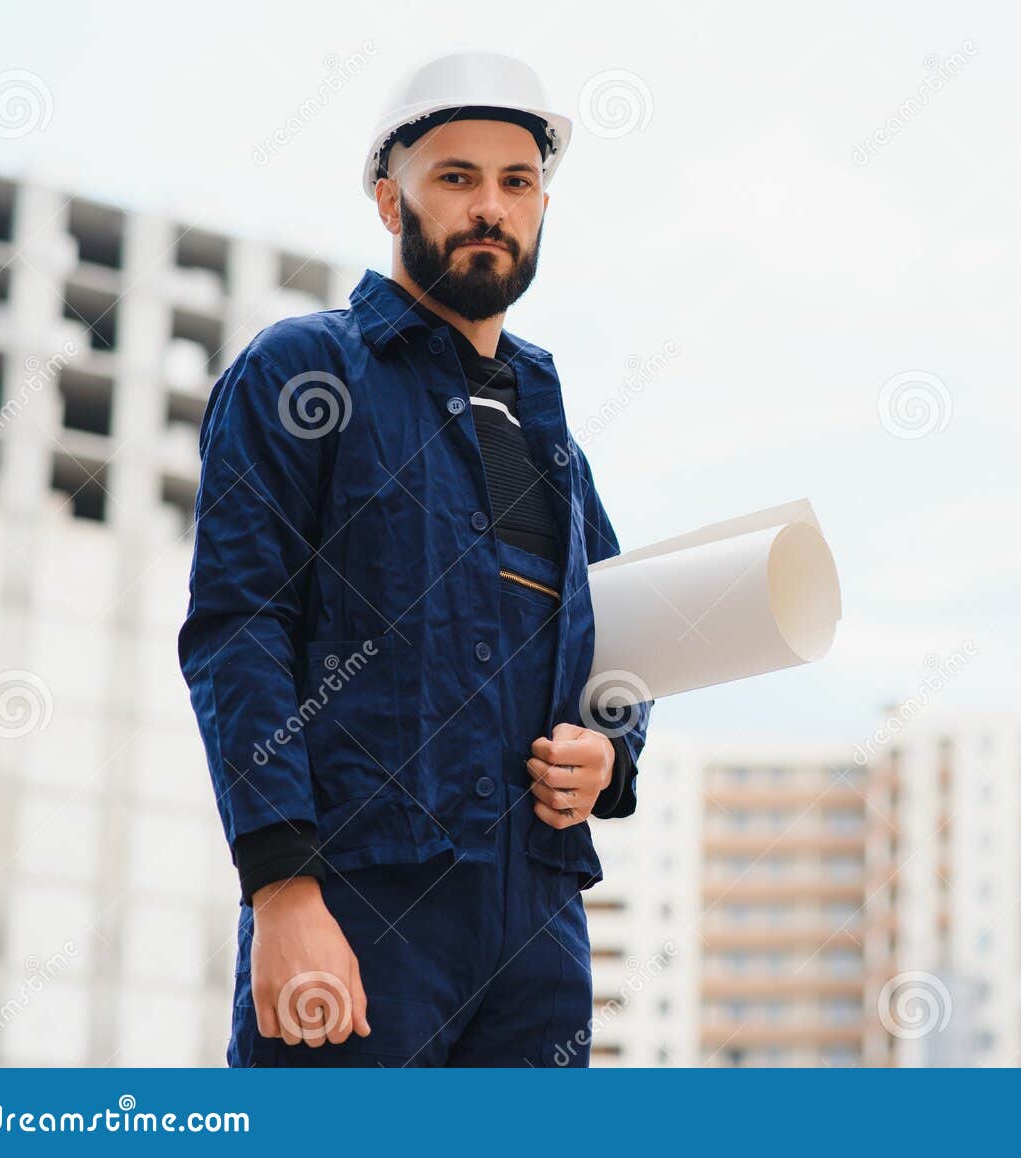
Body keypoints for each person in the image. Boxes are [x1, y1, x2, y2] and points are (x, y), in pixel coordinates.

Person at [177, 50, 652, 1066]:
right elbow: (238, 630)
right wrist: (282, 891)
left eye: (516, 182)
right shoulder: (306, 372)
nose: (490, 206)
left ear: (540, 209)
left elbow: (621, 632)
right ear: (392, 202)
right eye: (456, 178)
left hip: (537, 929)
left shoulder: (548, 440)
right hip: (360, 900)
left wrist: (612, 754)